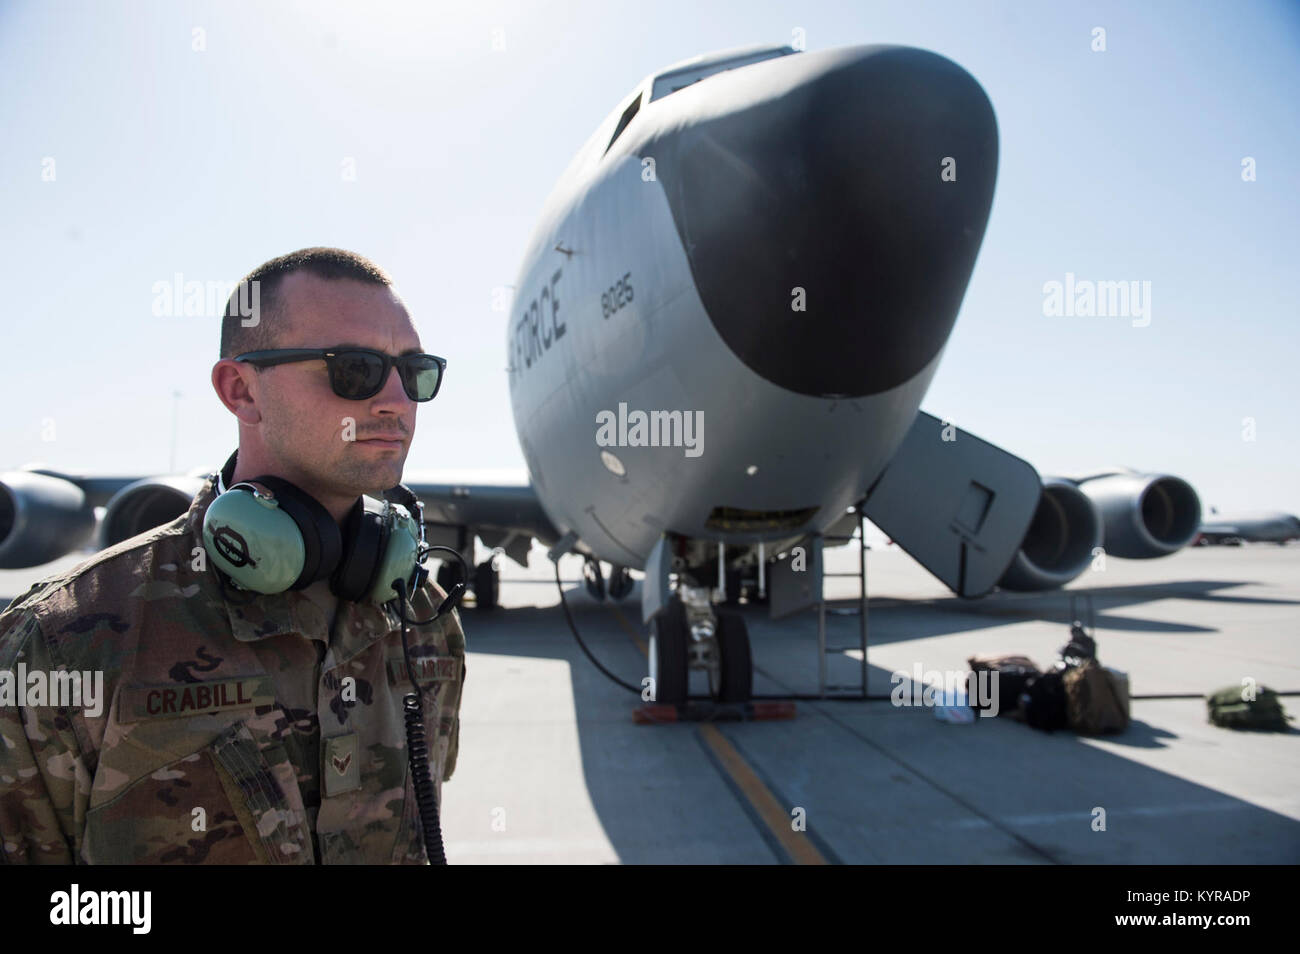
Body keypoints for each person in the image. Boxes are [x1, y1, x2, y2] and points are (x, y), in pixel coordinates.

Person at [0, 247, 465, 864]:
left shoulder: (424, 619)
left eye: (415, 372)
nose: (395, 401)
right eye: (355, 369)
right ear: (241, 391)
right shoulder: (63, 644)